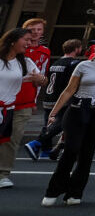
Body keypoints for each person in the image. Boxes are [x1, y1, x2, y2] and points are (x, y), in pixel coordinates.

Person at [41, 33, 95, 207]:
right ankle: (54, 189)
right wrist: (54, 112)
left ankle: (75, 192)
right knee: (71, 149)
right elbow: (69, 90)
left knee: (87, 154)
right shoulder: (84, 65)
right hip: (77, 110)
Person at [0, 26, 46, 189]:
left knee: (11, 139)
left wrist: (39, 79)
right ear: (12, 41)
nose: (29, 43)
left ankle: (3, 174)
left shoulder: (25, 61)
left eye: (30, 40)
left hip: (11, 108)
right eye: (25, 40)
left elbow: (42, 80)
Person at [23, 38, 82, 162]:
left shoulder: (55, 63)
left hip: (49, 96)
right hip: (61, 98)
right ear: (76, 49)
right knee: (62, 123)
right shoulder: (73, 64)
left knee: (48, 123)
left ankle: (45, 151)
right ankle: (36, 143)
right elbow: (72, 83)